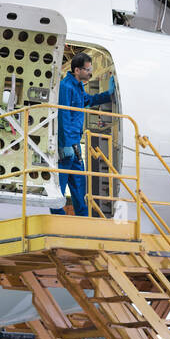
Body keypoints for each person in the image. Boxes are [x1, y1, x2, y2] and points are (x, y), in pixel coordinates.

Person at [53, 51, 115, 216]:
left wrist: (108, 95)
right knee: (59, 186)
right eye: (87, 70)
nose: (90, 73)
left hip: (74, 146)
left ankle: (82, 218)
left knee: (80, 187)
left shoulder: (78, 87)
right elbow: (63, 116)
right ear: (77, 70)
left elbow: (89, 101)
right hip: (66, 146)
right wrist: (64, 144)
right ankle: (59, 219)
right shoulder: (65, 87)